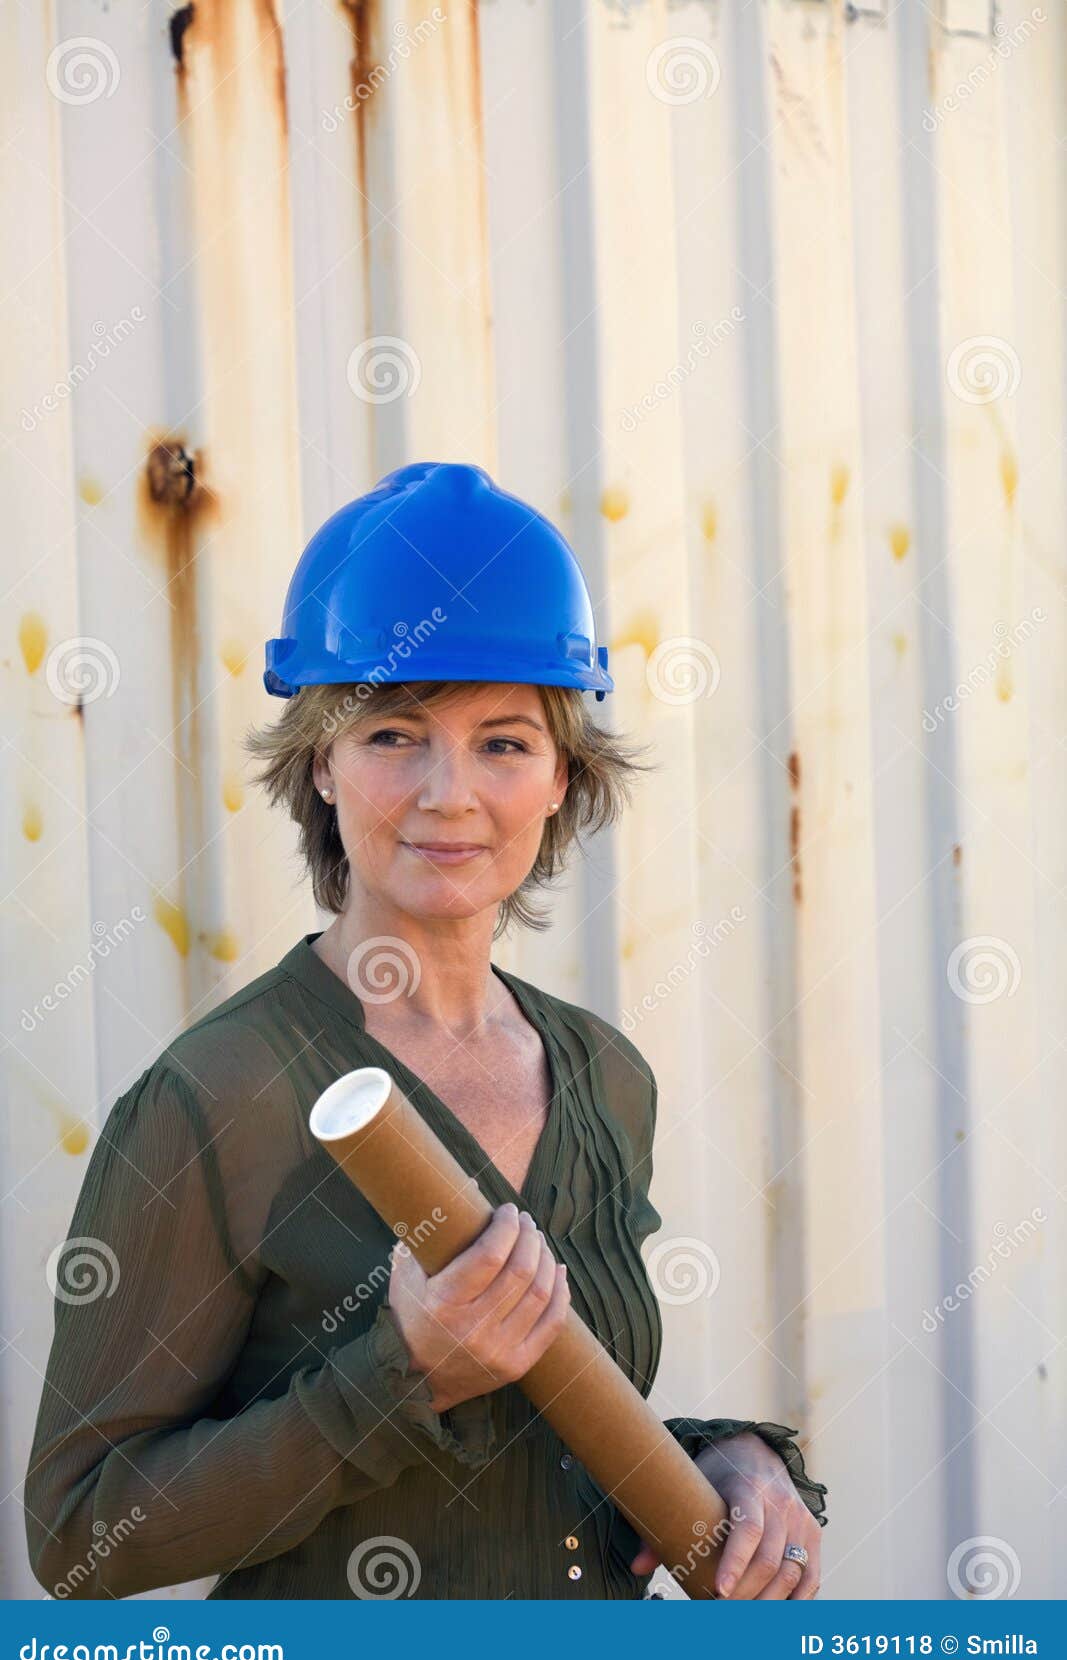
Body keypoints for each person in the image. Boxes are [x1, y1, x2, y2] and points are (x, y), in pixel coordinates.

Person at [23, 463, 827, 1600]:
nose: (450, 793)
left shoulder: (604, 1078)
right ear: (321, 762)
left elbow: (543, 1435)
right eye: (395, 733)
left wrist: (730, 1459)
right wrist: (396, 1376)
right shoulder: (219, 1094)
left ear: (560, 779)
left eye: (503, 741)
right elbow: (78, 1533)